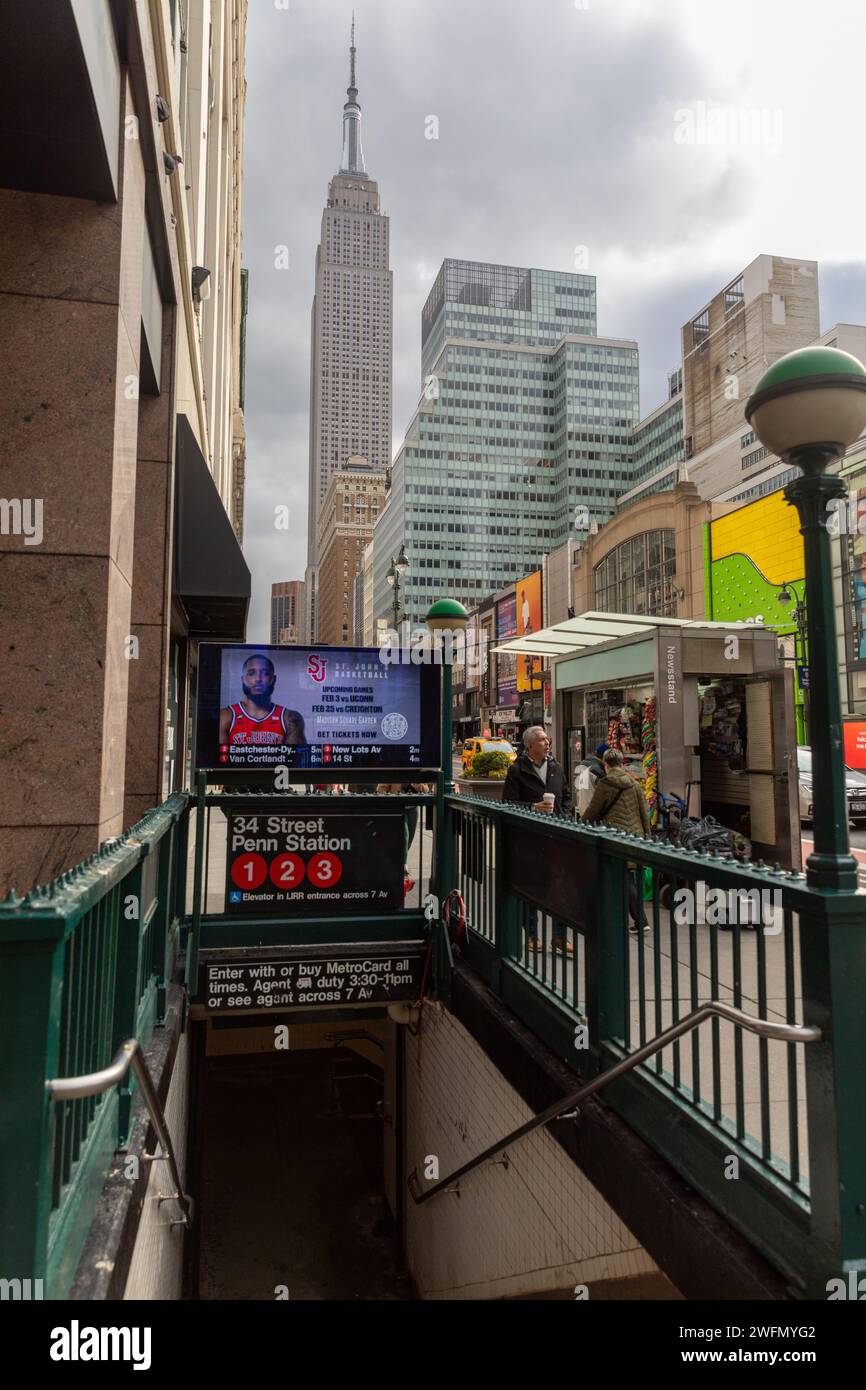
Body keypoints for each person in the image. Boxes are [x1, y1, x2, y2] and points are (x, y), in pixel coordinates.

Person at [502, 727, 574, 955]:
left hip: (556, 836)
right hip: (530, 838)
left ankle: (560, 937)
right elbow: (508, 803)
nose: (547, 742)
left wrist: (564, 815)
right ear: (530, 745)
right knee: (533, 888)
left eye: (547, 739)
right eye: (542, 740)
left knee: (561, 888)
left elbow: (566, 795)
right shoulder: (517, 770)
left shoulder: (555, 767)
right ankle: (532, 935)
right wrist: (533, 808)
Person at [580, 748, 651, 932]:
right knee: (625, 876)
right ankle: (636, 920)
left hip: (614, 838)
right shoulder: (634, 784)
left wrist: (581, 824)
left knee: (619, 877)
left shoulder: (606, 784)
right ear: (621, 762)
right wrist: (646, 837)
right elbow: (645, 813)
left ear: (605, 763)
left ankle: (635, 920)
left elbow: (593, 811)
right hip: (634, 837)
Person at [219, 654, 309, 766]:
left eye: (265, 673)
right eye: (251, 673)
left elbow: (294, 765)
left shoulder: (289, 718)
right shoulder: (226, 716)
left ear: (273, 679)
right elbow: (221, 765)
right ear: (243, 679)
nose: (258, 679)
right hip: (236, 783)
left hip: (277, 782)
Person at [376, 781, 430, 892]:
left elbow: (426, 790)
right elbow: (381, 788)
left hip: (412, 808)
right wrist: (390, 801)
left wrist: (414, 785)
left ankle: (396, 863)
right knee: (404, 836)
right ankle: (402, 870)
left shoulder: (416, 770)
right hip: (397, 807)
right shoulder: (393, 766)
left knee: (408, 841)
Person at [574, 741, 609, 816]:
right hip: (592, 811)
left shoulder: (584, 765)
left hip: (582, 806)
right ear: (604, 758)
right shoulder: (597, 771)